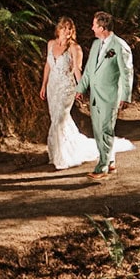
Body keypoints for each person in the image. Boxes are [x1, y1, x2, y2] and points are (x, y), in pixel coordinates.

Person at [42, 15, 133, 171]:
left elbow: (79, 70)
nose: (68, 31)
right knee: (56, 118)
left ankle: (63, 157)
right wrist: (43, 85)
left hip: (66, 88)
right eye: (65, 28)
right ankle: (60, 150)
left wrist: (81, 88)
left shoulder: (74, 48)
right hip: (53, 87)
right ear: (59, 29)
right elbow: (47, 66)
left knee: (59, 119)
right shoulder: (51, 44)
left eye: (70, 28)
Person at [74, 10, 135, 178]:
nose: (92, 28)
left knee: (105, 129)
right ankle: (111, 161)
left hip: (111, 95)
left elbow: (126, 72)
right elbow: (88, 70)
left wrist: (125, 96)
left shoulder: (119, 46)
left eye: (94, 25)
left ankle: (102, 168)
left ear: (102, 27)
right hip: (95, 95)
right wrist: (80, 88)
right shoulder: (95, 45)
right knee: (98, 130)